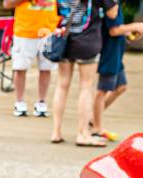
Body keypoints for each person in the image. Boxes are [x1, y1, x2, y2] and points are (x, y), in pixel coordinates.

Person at [50, 0, 119, 147]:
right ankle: (82, 134)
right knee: (86, 86)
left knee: (62, 85)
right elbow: (112, 13)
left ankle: (56, 132)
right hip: (87, 41)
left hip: (64, 39)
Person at [91, 4, 143, 141]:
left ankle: (94, 118)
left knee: (121, 87)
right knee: (103, 90)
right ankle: (96, 128)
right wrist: (135, 26)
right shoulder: (110, 3)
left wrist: (128, 33)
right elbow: (113, 30)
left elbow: (116, 28)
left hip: (116, 52)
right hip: (109, 53)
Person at [7, 1, 61, 118]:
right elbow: (7, 4)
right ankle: (19, 102)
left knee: (46, 68)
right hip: (24, 32)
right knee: (20, 68)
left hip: (48, 32)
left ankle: (41, 102)